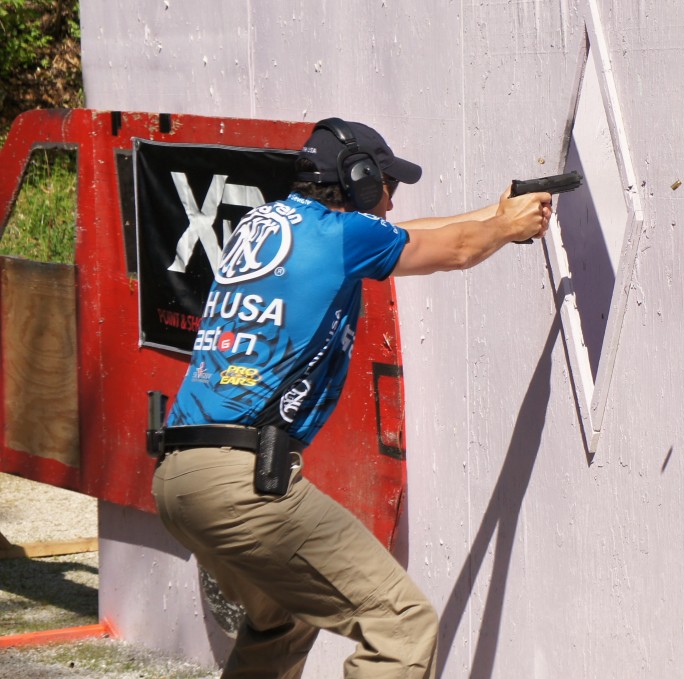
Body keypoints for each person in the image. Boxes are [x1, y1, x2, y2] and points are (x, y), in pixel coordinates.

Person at [151, 117, 551, 679]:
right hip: (242, 482)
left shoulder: (268, 223)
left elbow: (413, 233)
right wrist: (506, 229)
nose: (389, 201)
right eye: (386, 185)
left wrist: (499, 213)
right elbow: (456, 250)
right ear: (360, 179)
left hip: (179, 477)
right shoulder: (341, 236)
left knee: (284, 618)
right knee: (402, 625)